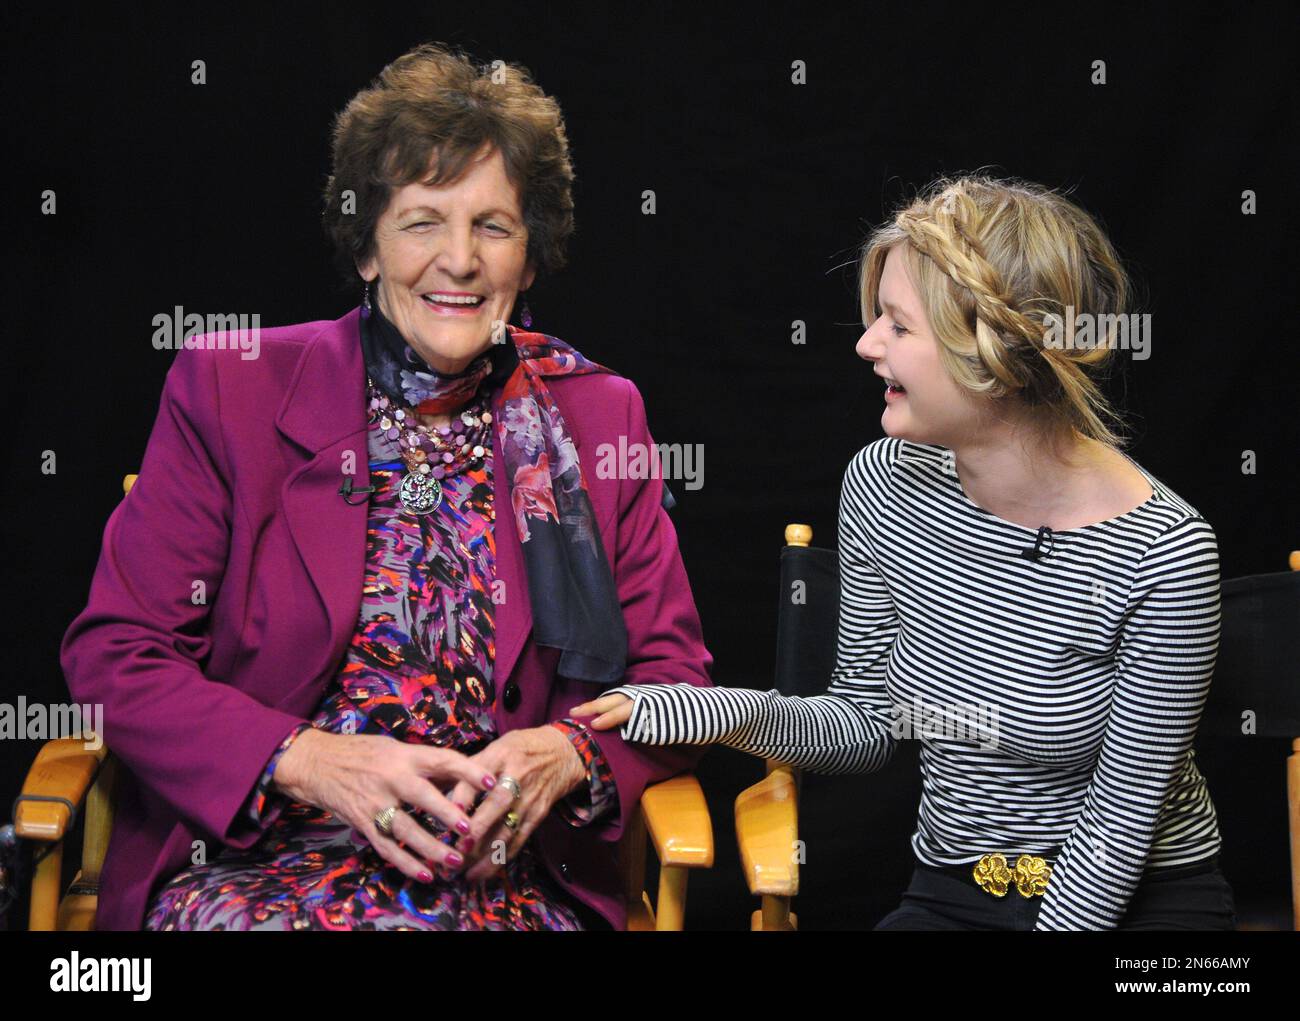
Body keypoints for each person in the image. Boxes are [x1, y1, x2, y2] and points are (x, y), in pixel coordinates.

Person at [59, 41, 713, 931]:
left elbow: (674, 678)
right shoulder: (232, 387)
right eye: (421, 222)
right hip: (257, 866)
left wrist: (570, 752)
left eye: (493, 226)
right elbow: (116, 659)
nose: (459, 260)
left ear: (529, 260)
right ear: (366, 247)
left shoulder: (599, 420)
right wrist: (308, 759)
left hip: (503, 885)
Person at [574, 175, 1237, 931]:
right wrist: (694, 708)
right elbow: (863, 723)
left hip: (1143, 899)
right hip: (955, 890)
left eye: (898, 324)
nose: (866, 344)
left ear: (996, 352)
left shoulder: (1166, 550)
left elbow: (1119, 829)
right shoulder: (884, 486)